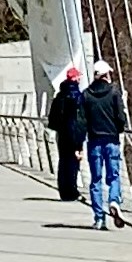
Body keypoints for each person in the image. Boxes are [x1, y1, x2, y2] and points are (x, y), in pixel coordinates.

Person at [82, 59, 127, 230]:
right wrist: (119, 129)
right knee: (114, 176)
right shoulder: (114, 92)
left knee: (96, 180)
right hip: (112, 140)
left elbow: (82, 120)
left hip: (94, 141)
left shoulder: (86, 94)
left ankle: (99, 218)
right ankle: (114, 200)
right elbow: (121, 118)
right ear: (107, 75)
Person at [47, 64, 87, 204]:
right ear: (75, 79)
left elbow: (53, 118)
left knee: (63, 161)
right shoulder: (77, 97)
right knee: (73, 164)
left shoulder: (59, 96)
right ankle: (72, 191)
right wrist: (80, 138)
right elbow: (80, 118)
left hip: (62, 134)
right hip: (73, 133)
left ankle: (63, 191)